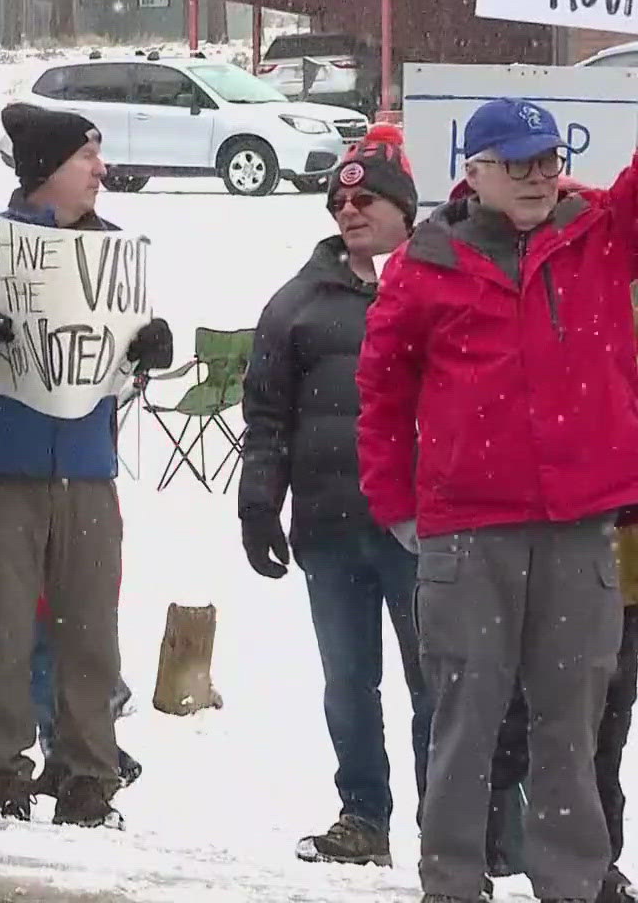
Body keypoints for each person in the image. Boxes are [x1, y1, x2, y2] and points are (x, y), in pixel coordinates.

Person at [358, 97, 638, 903]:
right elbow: (382, 390)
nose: (539, 176)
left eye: (549, 159)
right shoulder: (423, 264)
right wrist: (395, 502)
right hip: (467, 531)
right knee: (464, 718)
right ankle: (451, 879)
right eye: (518, 163)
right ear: (473, 172)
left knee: (571, 718)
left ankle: (572, 881)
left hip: (581, 526)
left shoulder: (600, 234)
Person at [0, 103, 172, 829]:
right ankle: (3, 764)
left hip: (87, 462)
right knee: (4, 630)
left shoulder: (114, 250)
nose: (100, 171)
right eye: (87, 158)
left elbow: (119, 351)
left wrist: (148, 348)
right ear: (48, 169)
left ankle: (87, 772)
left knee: (89, 630)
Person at [237, 125, 426, 867]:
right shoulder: (298, 302)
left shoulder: (442, 283)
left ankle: (455, 821)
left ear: (404, 210)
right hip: (330, 525)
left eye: (369, 198)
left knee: (442, 687)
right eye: (341, 201)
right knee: (349, 683)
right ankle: (363, 816)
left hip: (424, 530)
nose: (351, 211)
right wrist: (259, 503)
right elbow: (267, 414)